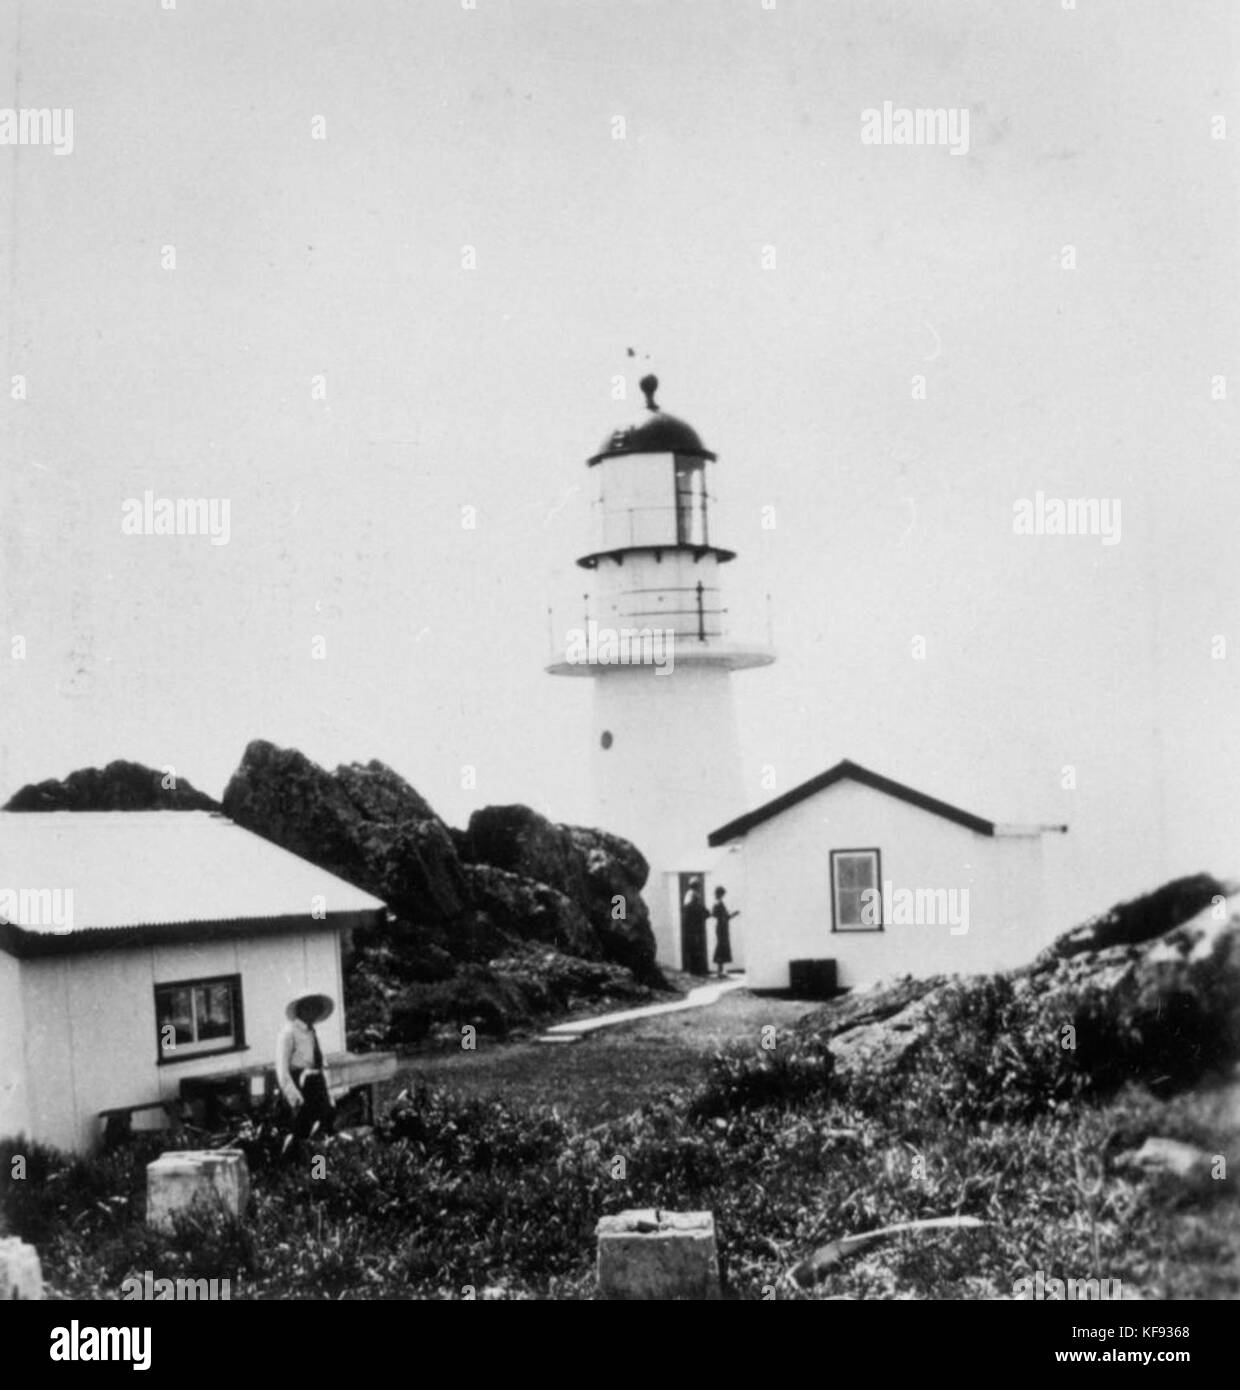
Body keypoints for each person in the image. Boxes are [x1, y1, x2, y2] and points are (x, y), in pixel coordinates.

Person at [275, 992, 336, 1150]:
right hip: (300, 1087)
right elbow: (282, 1070)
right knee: (300, 1136)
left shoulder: (312, 1033)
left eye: (317, 1009)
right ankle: (297, 1172)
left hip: (317, 1086)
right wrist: (295, 1098)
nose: (315, 1013)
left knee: (320, 1134)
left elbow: (321, 1065)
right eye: (312, 1008)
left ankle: (319, 1174)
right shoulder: (289, 1033)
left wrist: (329, 1094)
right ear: (302, 1009)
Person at [681, 878, 710, 976]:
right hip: (692, 926)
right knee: (694, 947)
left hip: (695, 925)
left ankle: (698, 969)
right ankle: (694, 970)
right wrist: (702, 911)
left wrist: (704, 912)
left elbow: (698, 907)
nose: (699, 886)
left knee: (696, 947)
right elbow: (691, 907)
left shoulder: (693, 894)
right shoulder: (691, 894)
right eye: (697, 885)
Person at [711, 885, 739, 978]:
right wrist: (732, 914)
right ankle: (719, 971)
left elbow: (719, 915)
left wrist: (730, 915)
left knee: (722, 947)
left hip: (721, 926)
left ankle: (720, 970)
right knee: (721, 948)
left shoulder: (717, 903)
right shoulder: (719, 903)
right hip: (722, 927)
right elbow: (722, 916)